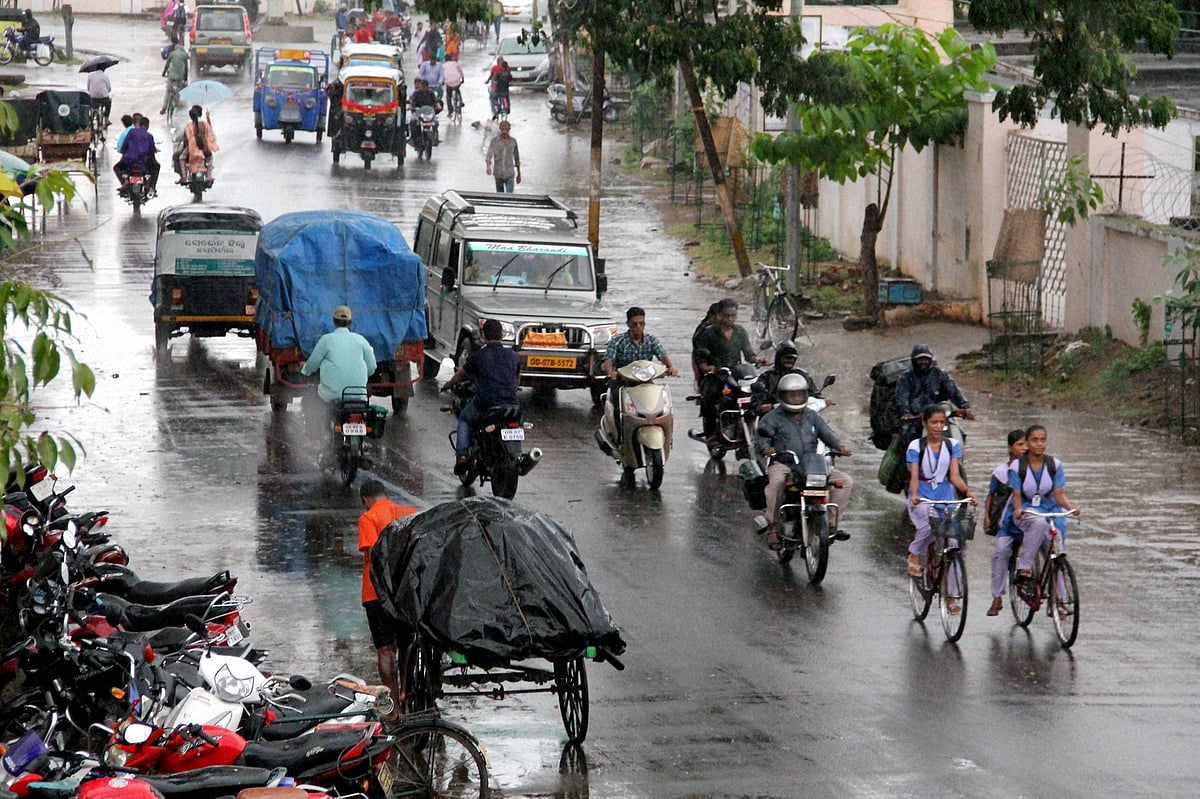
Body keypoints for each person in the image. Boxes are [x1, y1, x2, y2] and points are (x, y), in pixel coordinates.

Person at [754, 373, 852, 550]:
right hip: (783, 464)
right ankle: (773, 527)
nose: (796, 398)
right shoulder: (772, 417)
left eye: (799, 394)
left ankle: (830, 524)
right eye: (792, 395)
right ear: (782, 396)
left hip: (811, 463)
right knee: (776, 483)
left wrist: (840, 446)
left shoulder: (812, 416)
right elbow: (761, 439)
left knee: (845, 481)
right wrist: (766, 448)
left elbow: (827, 433)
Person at [905, 405, 975, 609]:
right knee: (927, 525)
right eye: (934, 422)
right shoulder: (915, 447)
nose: (938, 426)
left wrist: (968, 492)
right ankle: (914, 553)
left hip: (945, 497)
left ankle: (951, 595)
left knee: (953, 542)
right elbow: (914, 477)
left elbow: (954, 476)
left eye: (942, 422)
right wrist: (915, 495)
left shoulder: (952, 445)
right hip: (923, 498)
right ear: (925, 423)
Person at [358, 479, 417, 712]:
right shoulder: (409, 513)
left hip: (376, 593)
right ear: (386, 494)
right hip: (406, 591)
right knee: (406, 644)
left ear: (366, 500)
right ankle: (406, 692)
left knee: (385, 649)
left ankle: (392, 709)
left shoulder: (368, 518)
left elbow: (375, 556)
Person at [1009, 424, 1080, 607]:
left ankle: (1060, 599)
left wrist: (1070, 506)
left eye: (1043, 440)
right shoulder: (1018, 466)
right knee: (1039, 523)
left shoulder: (1054, 465)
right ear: (1028, 442)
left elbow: (1058, 495)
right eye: (1034, 440)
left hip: (1051, 512)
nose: (1039, 444)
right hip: (1027, 512)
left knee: (1057, 553)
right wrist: (1018, 509)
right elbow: (1016, 496)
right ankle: (1024, 567)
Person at [441, 318, 519, 474]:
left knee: (464, 419)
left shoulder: (478, 357)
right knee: (515, 424)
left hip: (487, 403)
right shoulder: (513, 355)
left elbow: (460, 375)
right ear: (502, 335)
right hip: (512, 404)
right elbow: (516, 379)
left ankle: (462, 456)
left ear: (484, 336)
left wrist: (447, 385)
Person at [693, 298, 766, 441]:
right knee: (710, 395)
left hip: (736, 374)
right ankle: (712, 433)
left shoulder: (740, 332)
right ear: (719, 315)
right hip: (716, 374)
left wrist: (758, 360)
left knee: (758, 393)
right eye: (726, 315)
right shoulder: (709, 333)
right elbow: (700, 357)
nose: (730, 319)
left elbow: (748, 354)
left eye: (733, 316)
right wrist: (707, 368)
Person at [600, 306, 678, 422]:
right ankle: (620, 434)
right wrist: (611, 373)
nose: (638, 327)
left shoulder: (651, 340)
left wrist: (670, 367)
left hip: (645, 382)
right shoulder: (617, 341)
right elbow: (609, 360)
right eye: (634, 324)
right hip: (622, 382)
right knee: (618, 405)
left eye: (642, 324)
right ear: (628, 324)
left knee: (660, 405)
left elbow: (662, 355)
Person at [985, 429, 1028, 616]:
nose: (1024, 448)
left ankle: (1056, 597)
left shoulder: (1035, 469)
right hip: (1009, 523)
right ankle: (997, 596)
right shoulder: (1001, 473)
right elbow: (991, 495)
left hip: (1029, 522)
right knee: (1001, 552)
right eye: (1020, 444)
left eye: (1027, 444)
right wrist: (987, 517)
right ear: (1010, 448)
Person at [895, 344, 973, 444]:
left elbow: (953, 391)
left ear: (930, 360)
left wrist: (965, 407)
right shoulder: (906, 377)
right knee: (908, 438)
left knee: (959, 433)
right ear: (914, 361)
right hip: (917, 417)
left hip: (939, 414)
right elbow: (902, 397)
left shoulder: (940, 374)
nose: (923, 362)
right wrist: (905, 412)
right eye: (920, 359)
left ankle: (958, 457)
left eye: (925, 359)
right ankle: (911, 458)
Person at [300, 305, 378, 404]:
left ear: (334, 321)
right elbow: (372, 368)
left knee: (309, 399)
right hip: (359, 396)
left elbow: (313, 363)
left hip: (330, 396)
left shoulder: (326, 340)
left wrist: (305, 370)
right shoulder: (361, 340)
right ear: (350, 322)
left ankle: (320, 420)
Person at [749, 340, 813, 415]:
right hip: (775, 418)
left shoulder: (803, 376)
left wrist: (823, 402)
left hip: (800, 417)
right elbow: (757, 404)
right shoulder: (767, 377)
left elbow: (815, 397)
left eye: (792, 358)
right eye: (786, 357)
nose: (789, 360)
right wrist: (764, 406)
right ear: (779, 358)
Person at [114, 115, 160, 195]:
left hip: (129, 161)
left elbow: (124, 147)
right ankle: (152, 187)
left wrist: (124, 153)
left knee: (116, 167)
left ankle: (124, 182)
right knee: (156, 167)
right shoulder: (149, 136)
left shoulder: (131, 132)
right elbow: (151, 151)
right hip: (144, 162)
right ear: (147, 126)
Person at [178, 104, 218, 183]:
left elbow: (185, 139)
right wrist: (208, 118)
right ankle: (209, 177)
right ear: (201, 114)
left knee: (182, 158)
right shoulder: (204, 124)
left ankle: (184, 176)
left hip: (191, 150)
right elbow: (211, 134)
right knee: (209, 159)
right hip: (204, 149)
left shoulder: (188, 126)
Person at [690, 301, 721, 388]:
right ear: (713, 316)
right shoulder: (704, 331)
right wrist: (702, 371)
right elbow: (696, 354)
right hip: (708, 370)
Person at [484, 120, 521, 193]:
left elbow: (517, 158)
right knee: (500, 196)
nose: (504, 131)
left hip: (509, 174)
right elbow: (489, 156)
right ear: (500, 129)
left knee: (509, 197)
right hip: (498, 174)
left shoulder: (513, 142)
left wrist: (519, 173)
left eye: (506, 129)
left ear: (509, 130)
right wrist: (488, 167)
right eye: (503, 129)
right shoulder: (494, 141)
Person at [408, 78, 442, 144]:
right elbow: (412, 103)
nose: (422, 88)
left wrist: (438, 106)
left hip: (429, 113)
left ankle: (435, 136)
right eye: (421, 86)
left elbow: (435, 101)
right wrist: (411, 107)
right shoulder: (416, 93)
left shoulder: (431, 93)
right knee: (412, 121)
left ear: (427, 87)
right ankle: (413, 138)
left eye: (424, 87)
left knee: (436, 122)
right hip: (418, 112)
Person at [160, 42, 189, 115]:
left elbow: (167, 65)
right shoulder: (184, 55)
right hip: (180, 76)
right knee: (178, 89)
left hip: (171, 76)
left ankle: (164, 107)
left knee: (168, 91)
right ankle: (176, 102)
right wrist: (185, 78)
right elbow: (186, 68)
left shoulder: (171, 54)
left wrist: (163, 73)